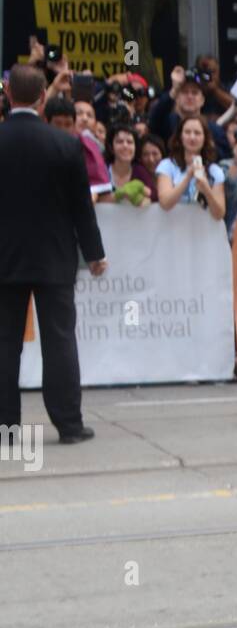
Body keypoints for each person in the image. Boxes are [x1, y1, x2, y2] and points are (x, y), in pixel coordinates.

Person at [0, 65, 106, 444]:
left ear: (8, 95)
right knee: (60, 341)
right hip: (54, 258)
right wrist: (94, 253)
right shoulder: (64, 144)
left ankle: (7, 428)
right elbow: (82, 207)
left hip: (5, 259)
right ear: (43, 96)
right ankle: (69, 424)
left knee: (4, 343)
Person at [156, 115, 226, 222]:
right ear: (180, 136)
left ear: (205, 138)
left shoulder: (214, 170)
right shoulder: (167, 165)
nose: (192, 137)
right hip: (171, 231)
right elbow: (165, 203)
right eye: (187, 132)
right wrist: (188, 177)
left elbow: (219, 213)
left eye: (197, 133)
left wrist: (206, 189)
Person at [104, 122, 157, 204]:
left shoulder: (140, 171)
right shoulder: (102, 169)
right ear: (111, 147)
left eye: (130, 142)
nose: (125, 146)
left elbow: (154, 196)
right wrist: (120, 195)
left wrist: (145, 195)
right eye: (120, 142)